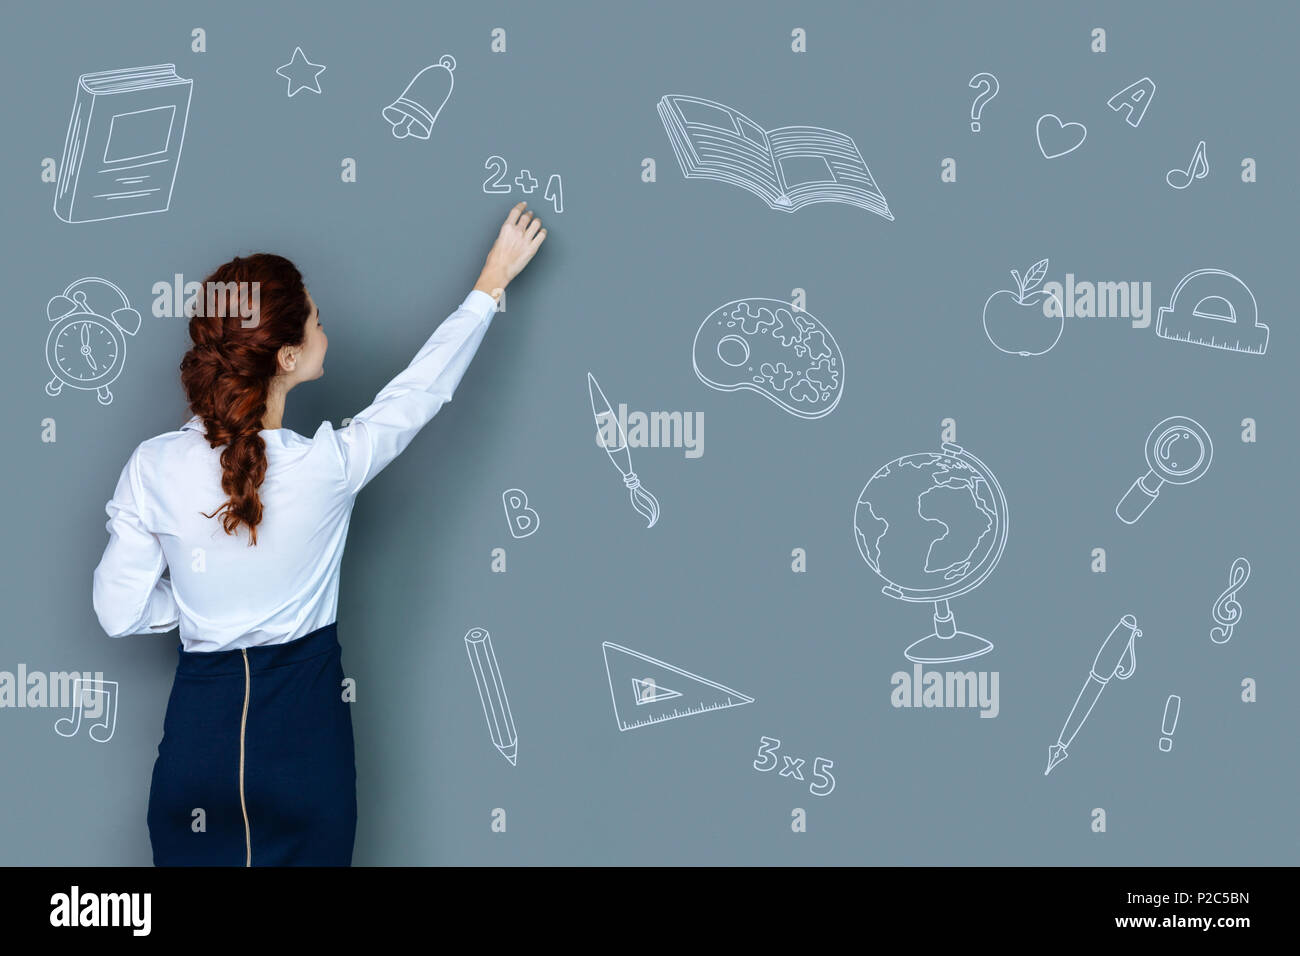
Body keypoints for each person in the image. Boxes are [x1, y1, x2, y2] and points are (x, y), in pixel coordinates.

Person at [91, 201, 547, 866]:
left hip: (198, 750)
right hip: (306, 749)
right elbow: (419, 394)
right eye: (318, 321)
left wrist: (195, 606)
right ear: (287, 355)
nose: (327, 331)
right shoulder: (328, 467)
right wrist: (490, 282)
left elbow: (117, 612)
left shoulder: (152, 467)